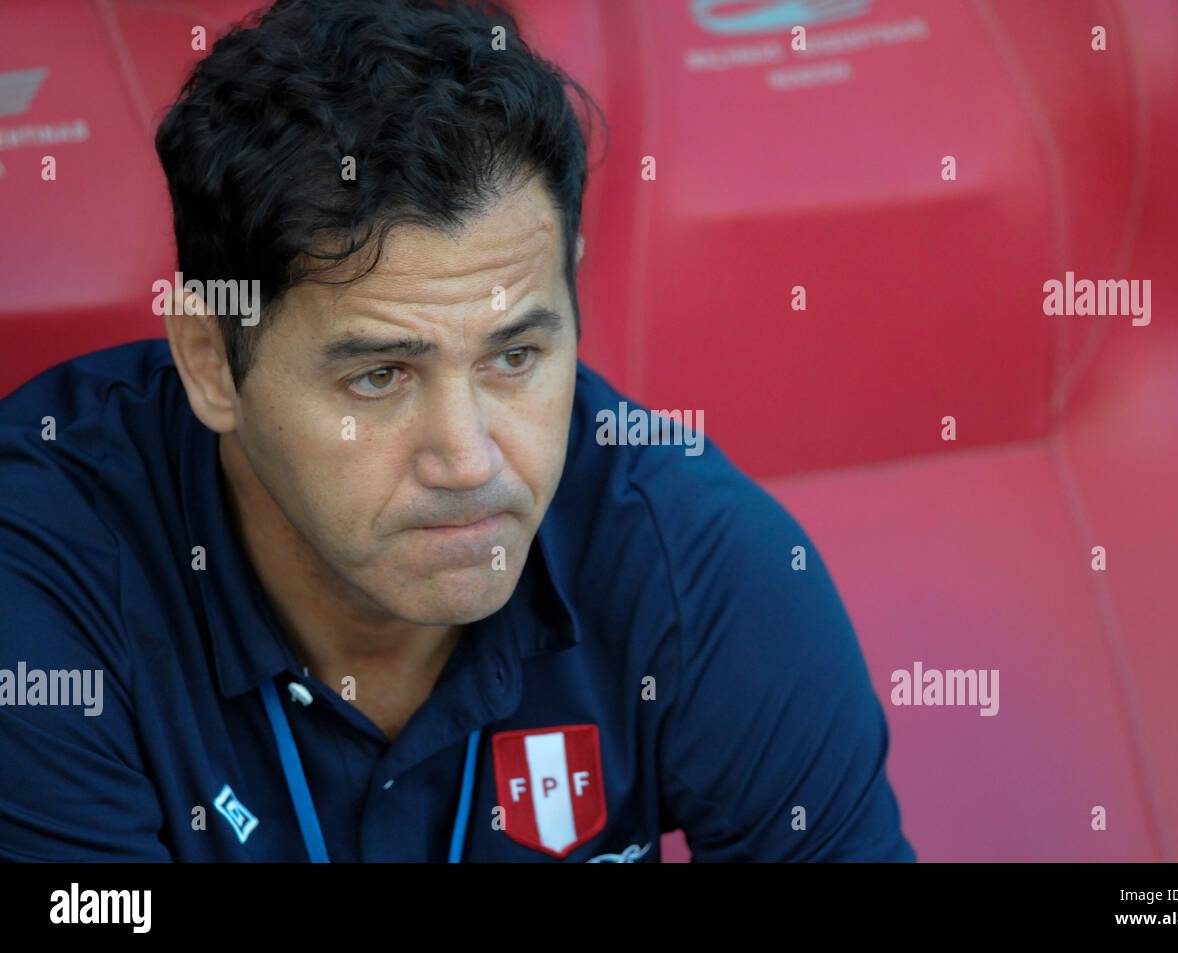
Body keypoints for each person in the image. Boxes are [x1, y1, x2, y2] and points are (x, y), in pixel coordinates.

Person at [0, 0, 913, 862]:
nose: (470, 460)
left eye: (513, 358)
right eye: (380, 375)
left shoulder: (699, 563)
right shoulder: (43, 581)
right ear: (210, 360)